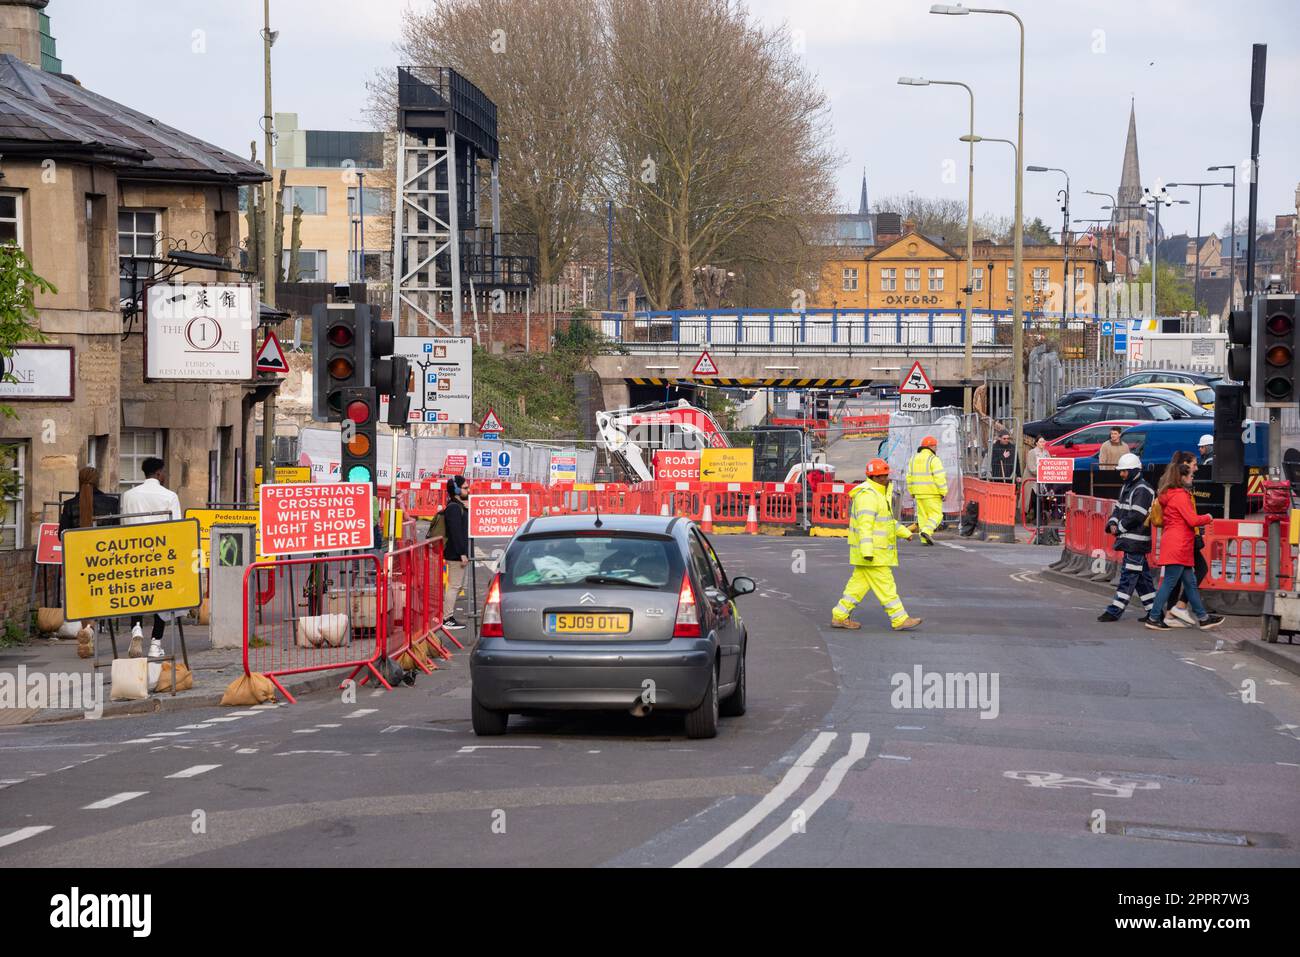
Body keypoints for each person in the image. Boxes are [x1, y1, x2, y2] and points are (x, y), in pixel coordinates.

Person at [830, 458, 922, 633]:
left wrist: (905, 533)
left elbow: (886, 523)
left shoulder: (877, 494)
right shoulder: (869, 496)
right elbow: (865, 526)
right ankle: (899, 618)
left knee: (856, 587)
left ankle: (840, 616)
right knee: (886, 586)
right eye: (886, 476)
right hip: (873, 553)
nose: (888, 479)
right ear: (878, 477)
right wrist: (867, 552)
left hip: (873, 553)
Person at [1143, 461, 1225, 631]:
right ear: (1182, 477)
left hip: (1178, 543)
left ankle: (1203, 618)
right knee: (1170, 582)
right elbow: (1192, 520)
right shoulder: (1180, 496)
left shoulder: (1171, 494)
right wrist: (1209, 516)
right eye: (1191, 475)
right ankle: (1153, 617)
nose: (1193, 478)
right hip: (1179, 544)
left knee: (1190, 582)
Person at [120, 458, 182, 657]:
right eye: (164, 472)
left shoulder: (128, 496)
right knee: (161, 598)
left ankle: (136, 627)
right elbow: (177, 527)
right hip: (161, 552)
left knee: (137, 593)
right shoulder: (170, 496)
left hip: (134, 552)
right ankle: (156, 643)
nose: (165, 476)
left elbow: (123, 525)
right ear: (158, 473)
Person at [58, 467, 119, 658]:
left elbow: (63, 535)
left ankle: (87, 628)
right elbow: (116, 533)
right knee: (101, 594)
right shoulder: (111, 503)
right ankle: (91, 629)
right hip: (102, 559)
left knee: (84, 597)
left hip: (78, 559)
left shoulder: (69, 505)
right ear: (98, 480)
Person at [1097, 453, 1156, 622]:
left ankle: (1114, 611)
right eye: (1121, 471)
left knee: (1128, 577)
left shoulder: (1143, 489)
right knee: (1142, 580)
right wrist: (1112, 523)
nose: (1121, 474)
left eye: (1124, 471)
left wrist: (1118, 528)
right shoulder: (1127, 487)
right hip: (1129, 541)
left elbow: (1137, 515)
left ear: (1134, 470)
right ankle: (1154, 611)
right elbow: (1118, 509)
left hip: (1136, 542)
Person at [1162, 451, 1211, 627]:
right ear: (1185, 465)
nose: (1196, 468)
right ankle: (1174, 610)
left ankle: (1171, 613)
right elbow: (1189, 518)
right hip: (1182, 539)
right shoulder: (1179, 491)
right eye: (1194, 464)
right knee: (1198, 570)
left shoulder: (1170, 486)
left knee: (1178, 578)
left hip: (1178, 537)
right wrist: (1206, 518)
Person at [434, 476, 470, 629]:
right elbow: (456, 532)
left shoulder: (456, 506)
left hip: (456, 552)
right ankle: (447, 618)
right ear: (456, 490)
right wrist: (462, 553)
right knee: (454, 586)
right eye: (465, 488)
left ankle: (445, 616)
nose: (468, 490)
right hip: (455, 554)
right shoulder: (454, 508)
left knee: (456, 585)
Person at [905, 435, 947, 545]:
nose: (936, 449)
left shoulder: (913, 458)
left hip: (918, 493)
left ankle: (924, 539)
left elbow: (909, 477)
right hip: (932, 493)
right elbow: (939, 477)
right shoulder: (933, 459)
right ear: (931, 447)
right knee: (937, 515)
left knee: (923, 517)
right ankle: (926, 531)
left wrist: (912, 491)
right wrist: (943, 492)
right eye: (935, 447)